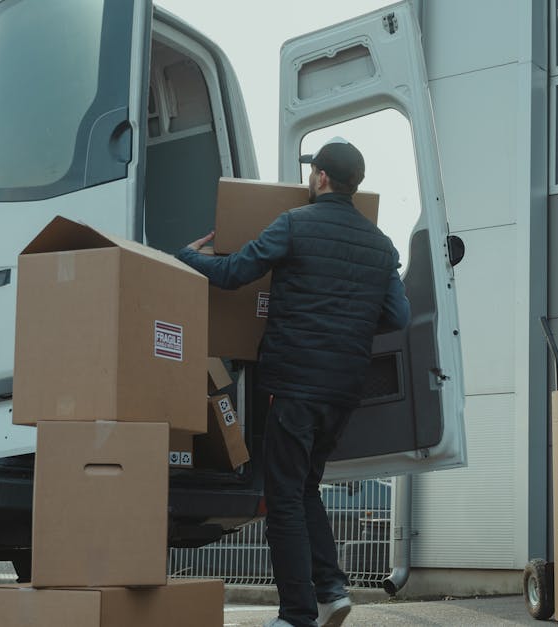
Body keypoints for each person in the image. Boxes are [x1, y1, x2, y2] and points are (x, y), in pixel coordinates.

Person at [176, 138, 410, 627]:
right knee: (305, 487)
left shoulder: (294, 225)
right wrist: (347, 320)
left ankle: (297, 615)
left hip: (293, 385)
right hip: (343, 390)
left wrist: (188, 256)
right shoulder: (381, 245)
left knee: (283, 496)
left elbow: (234, 273)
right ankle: (330, 589)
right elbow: (397, 315)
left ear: (321, 177)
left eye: (312, 172)